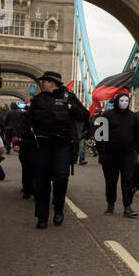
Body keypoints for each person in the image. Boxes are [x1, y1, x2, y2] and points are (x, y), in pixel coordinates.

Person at [29, 71, 89, 228]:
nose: (41, 83)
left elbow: (84, 115)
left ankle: (58, 210)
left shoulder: (68, 97)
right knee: (41, 182)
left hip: (62, 145)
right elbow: (28, 120)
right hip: (43, 144)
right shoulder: (37, 100)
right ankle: (42, 217)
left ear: (51, 82)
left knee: (61, 178)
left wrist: (71, 107)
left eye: (44, 81)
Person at [96, 88, 139, 217]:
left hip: (128, 154)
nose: (124, 103)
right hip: (110, 155)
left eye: (126, 100)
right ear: (117, 101)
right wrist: (101, 152)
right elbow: (99, 136)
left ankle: (127, 207)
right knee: (111, 181)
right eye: (121, 100)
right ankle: (110, 204)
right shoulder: (106, 115)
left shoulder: (133, 116)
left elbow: (138, 135)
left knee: (128, 180)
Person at [10, 104, 37, 199]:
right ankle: (27, 189)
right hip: (27, 145)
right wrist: (16, 143)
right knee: (27, 168)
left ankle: (32, 189)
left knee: (32, 169)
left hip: (36, 146)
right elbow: (17, 129)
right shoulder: (25, 116)